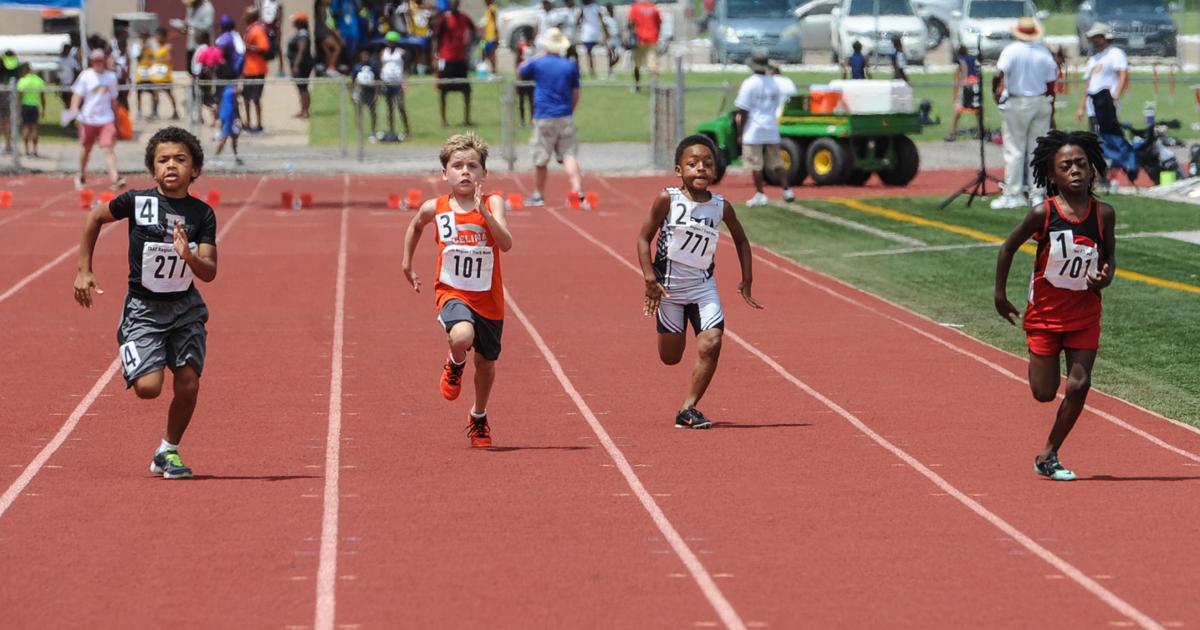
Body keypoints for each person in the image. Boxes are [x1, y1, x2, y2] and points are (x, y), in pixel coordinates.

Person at [73, 126, 219, 479]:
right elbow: (94, 217)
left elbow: (210, 271)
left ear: (195, 170)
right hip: (144, 309)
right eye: (163, 160)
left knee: (188, 382)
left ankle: (168, 451)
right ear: (153, 170)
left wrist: (190, 256)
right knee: (148, 389)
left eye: (180, 160)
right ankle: (133, 341)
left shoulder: (202, 215)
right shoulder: (137, 202)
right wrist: (84, 270)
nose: (171, 166)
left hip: (185, 308)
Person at [993, 130, 1115, 481]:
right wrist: (1000, 295)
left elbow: (1109, 257)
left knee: (1079, 384)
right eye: (1066, 165)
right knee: (1044, 393)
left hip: (1084, 314)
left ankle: (1048, 454)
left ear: (1093, 170)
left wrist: (1104, 277)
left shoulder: (1104, 214)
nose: (1075, 170)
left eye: (1081, 164)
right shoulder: (1042, 214)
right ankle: (1040, 366)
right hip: (1045, 315)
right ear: (1051, 175)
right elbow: (1007, 248)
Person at [636, 134, 763, 429]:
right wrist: (649, 279)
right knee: (670, 357)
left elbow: (743, 242)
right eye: (693, 164)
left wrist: (747, 280)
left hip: (703, 287)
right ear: (679, 170)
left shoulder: (721, 206)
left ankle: (688, 408)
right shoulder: (667, 198)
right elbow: (643, 238)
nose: (701, 169)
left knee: (712, 343)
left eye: (708, 163)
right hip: (669, 289)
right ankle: (673, 330)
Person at [400, 132, 514, 448]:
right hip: (452, 292)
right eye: (457, 166)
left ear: (484, 174)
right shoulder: (435, 208)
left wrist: (486, 215)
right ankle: (455, 361)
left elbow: (506, 243)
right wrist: (407, 263)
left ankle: (478, 415)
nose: (465, 171)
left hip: (489, 299)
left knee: (487, 364)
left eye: (472, 166)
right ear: (444, 174)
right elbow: (415, 225)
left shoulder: (493, 202)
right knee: (462, 336)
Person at [990, 16, 1056, 210]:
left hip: (1018, 100)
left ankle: (1013, 193)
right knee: (1037, 149)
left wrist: (996, 93)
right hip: (1040, 100)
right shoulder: (1044, 52)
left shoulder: (1011, 51)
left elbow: (998, 74)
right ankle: (1037, 194)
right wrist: (1050, 104)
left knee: (1014, 150)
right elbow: (1051, 84)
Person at [518, 28, 586, 208]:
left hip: (544, 115)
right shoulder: (570, 65)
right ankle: (577, 189)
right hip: (565, 115)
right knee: (569, 154)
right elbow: (576, 92)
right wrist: (570, 110)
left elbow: (521, 70)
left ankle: (538, 194)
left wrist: (535, 56)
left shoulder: (539, 63)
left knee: (541, 157)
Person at [734, 49, 792, 207]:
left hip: (754, 128)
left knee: (756, 163)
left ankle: (760, 193)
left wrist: (740, 132)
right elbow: (775, 105)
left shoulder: (749, 83)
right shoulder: (773, 82)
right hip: (770, 125)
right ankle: (787, 190)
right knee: (777, 161)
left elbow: (743, 110)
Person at [69, 49, 124, 191]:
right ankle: (81, 174)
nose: (98, 63)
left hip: (106, 118)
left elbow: (113, 100)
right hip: (88, 119)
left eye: (100, 60)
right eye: (95, 61)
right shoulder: (86, 76)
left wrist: (117, 121)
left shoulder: (110, 77)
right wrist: (74, 110)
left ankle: (115, 178)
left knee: (108, 148)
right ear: (92, 62)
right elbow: (77, 96)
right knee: (86, 149)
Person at [431, 0, 476, 127]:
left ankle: (467, 119)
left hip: (460, 59)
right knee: (443, 92)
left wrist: (469, 42)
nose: (455, 4)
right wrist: (435, 56)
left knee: (467, 91)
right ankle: (444, 120)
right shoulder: (444, 19)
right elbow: (435, 38)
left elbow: (474, 29)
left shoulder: (464, 17)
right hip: (446, 59)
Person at [242, 6, 270, 133]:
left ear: (252, 16)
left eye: (246, 14)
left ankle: (259, 124)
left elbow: (264, 47)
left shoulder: (258, 30)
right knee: (246, 97)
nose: (243, 16)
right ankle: (247, 122)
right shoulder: (249, 29)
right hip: (248, 69)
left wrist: (247, 47)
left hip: (257, 69)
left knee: (256, 98)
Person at [946, 44, 981, 142]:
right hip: (975, 83)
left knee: (958, 109)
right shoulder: (973, 60)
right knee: (977, 109)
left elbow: (963, 69)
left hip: (966, 84)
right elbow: (978, 71)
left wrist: (959, 87)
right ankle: (980, 132)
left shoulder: (960, 59)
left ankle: (953, 133)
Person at [380, 31, 411, 141]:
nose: (389, 43)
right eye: (388, 41)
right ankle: (391, 130)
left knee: (400, 106)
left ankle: (408, 131)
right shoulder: (384, 52)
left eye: (391, 41)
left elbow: (406, 68)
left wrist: (405, 81)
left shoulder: (402, 53)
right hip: (387, 82)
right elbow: (382, 67)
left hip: (398, 83)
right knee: (389, 108)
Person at [627, 0, 661, 91]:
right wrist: (657, 35)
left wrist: (630, 35)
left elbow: (630, 22)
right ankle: (655, 84)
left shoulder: (635, 7)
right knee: (653, 63)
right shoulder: (653, 8)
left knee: (636, 64)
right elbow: (659, 23)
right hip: (652, 39)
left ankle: (637, 85)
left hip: (639, 39)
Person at [287, 12, 315, 119]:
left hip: (303, 64)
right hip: (300, 63)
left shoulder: (303, 35)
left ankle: (306, 111)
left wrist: (296, 65)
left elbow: (301, 50)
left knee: (303, 87)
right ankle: (302, 109)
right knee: (300, 87)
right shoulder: (300, 33)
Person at [16, 63, 45, 157]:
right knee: (34, 128)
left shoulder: (23, 81)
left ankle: (26, 150)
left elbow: (20, 96)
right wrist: (43, 108)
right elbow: (42, 97)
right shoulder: (39, 80)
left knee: (25, 128)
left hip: (25, 106)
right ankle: (35, 150)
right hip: (35, 106)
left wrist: (18, 108)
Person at [152, 27, 180, 120]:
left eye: (158, 36)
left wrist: (157, 60)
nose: (156, 38)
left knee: (169, 94)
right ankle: (155, 112)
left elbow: (169, 59)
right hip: (157, 75)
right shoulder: (156, 47)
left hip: (165, 76)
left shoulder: (168, 47)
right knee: (155, 94)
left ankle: (176, 112)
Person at [352, 47, 380, 141]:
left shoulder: (373, 67)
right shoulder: (357, 67)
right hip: (360, 92)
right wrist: (352, 93)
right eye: (363, 55)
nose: (365, 57)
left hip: (370, 92)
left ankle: (373, 132)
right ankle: (360, 132)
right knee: (359, 113)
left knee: (373, 113)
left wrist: (376, 94)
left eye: (366, 55)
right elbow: (352, 82)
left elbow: (377, 81)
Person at [578, 0, 606, 78]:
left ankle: (591, 71)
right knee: (590, 53)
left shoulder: (587, 8)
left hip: (589, 34)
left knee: (589, 53)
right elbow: (601, 19)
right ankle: (592, 71)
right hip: (591, 33)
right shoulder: (594, 7)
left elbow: (578, 20)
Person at [514, 34, 534, 127]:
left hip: (531, 77)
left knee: (532, 101)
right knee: (521, 101)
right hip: (522, 77)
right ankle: (522, 121)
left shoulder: (534, 49)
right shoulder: (520, 48)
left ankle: (532, 120)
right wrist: (517, 77)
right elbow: (517, 62)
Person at [261, 0, 285, 76]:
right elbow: (263, 15)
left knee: (278, 47)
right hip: (266, 26)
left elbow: (280, 19)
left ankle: (281, 70)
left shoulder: (278, 4)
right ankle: (263, 68)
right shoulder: (265, 2)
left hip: (274, 27)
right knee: (264, 47)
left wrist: (278, 30)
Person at [480, 0, 500, 75]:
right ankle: (483, 68)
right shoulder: (487, 10)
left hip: (492, 36)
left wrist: (497, 35)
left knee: (491, 53)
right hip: (484, 37)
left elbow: (495, 22)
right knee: (482, 50)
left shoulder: (492, 9)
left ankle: (494, 72)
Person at [602, 2, 620, 78]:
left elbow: (619, 29)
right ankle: (611, 72)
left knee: (618, 56)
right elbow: (604, 30)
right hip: (610, 39)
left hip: (616, 38)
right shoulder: (605, 19)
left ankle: (610, 69)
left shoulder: (616, 18)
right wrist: (605, 39)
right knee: (610, 55)